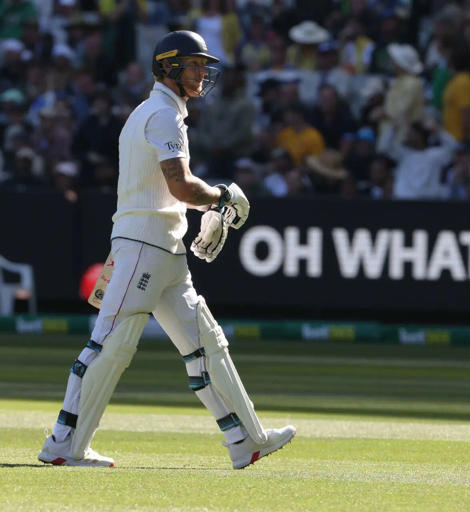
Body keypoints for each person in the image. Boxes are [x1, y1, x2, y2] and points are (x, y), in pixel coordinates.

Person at [37, 30, 295, 469]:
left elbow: (166, 190)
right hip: (144, 245)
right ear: (168, 67)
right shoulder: (160, 113)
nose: (201, 73)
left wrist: (206, 203)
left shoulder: (158, 111)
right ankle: (65, 444)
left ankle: (246, 440)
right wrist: (220, 197)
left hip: (165, 248)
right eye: (193, 65)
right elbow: (179, 184)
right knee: (110, 345)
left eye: (202, 65)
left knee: (206, 344)